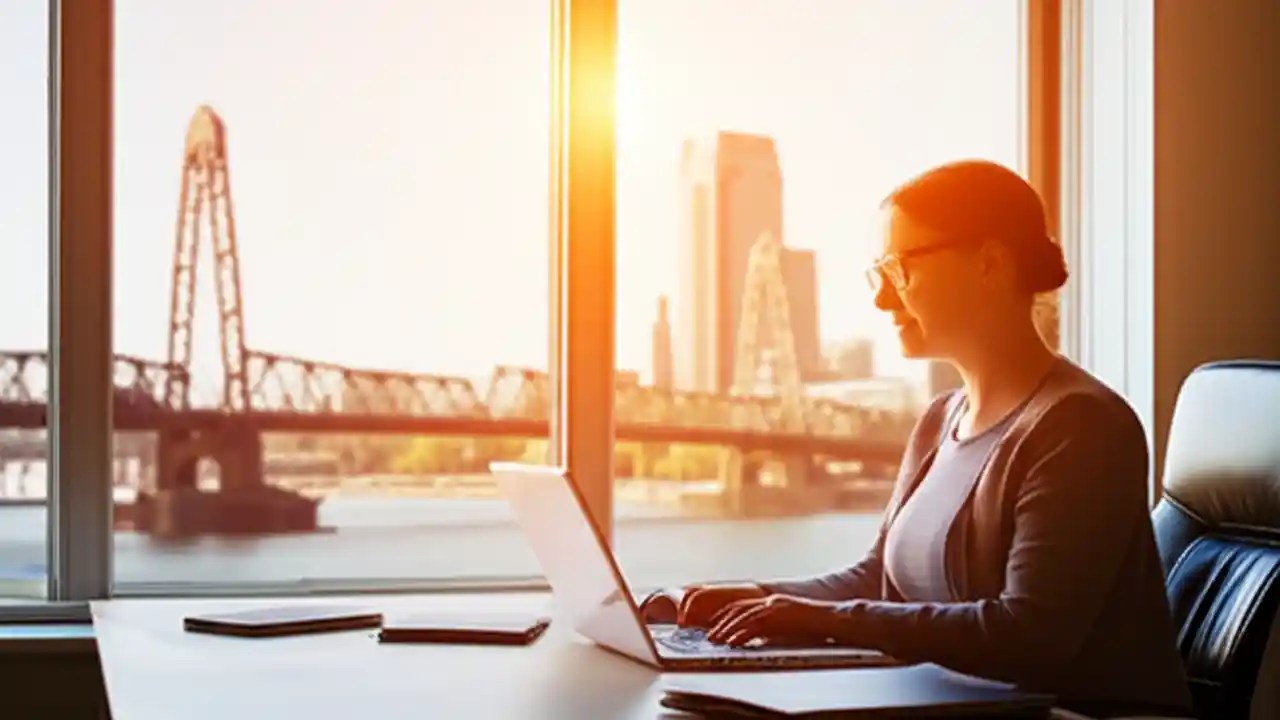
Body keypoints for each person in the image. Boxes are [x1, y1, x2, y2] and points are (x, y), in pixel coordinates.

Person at [640, 160, 1193, 718]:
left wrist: (822, 619)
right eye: (880, 272)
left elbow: (1030, 636)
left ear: (989, 264)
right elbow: (880, 580)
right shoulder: (939, 420)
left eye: (901, 269)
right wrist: (751, 598)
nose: (883, 299)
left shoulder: (1080, 428)